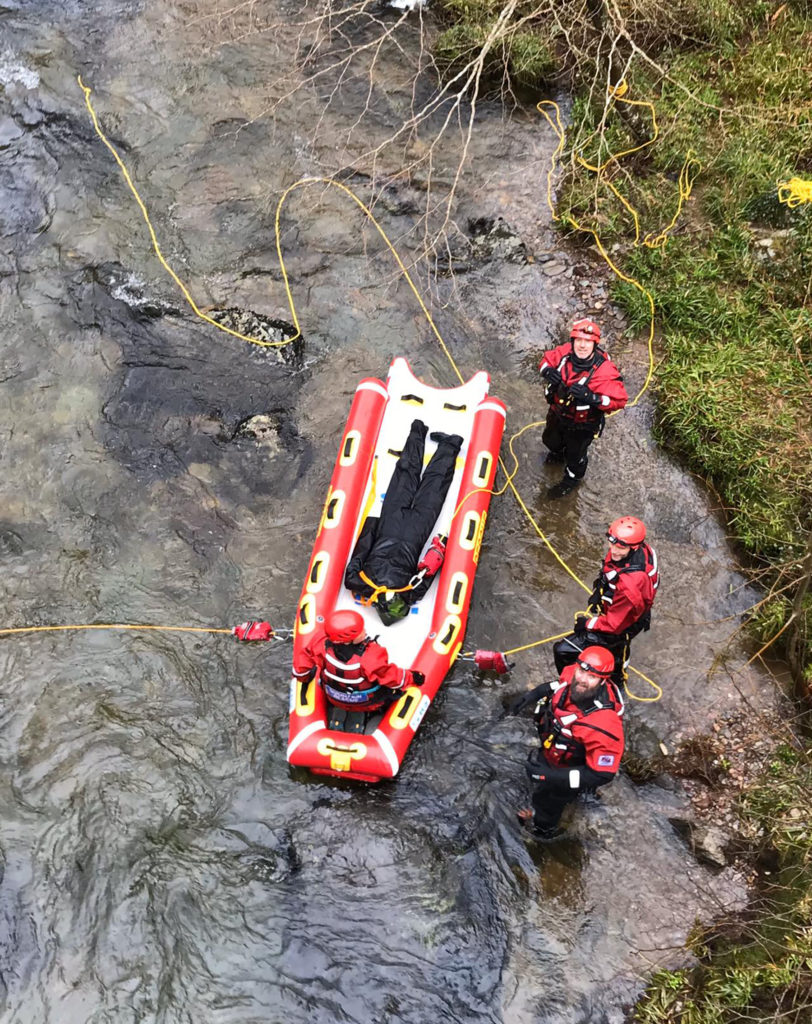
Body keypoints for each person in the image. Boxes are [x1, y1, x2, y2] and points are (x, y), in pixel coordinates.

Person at [345, 419, 463, 624]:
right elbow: (361, 550)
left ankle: (450, 445)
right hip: (390, 525)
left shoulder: (409, 593)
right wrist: (373, 523)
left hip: (416, 533)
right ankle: (418, 431)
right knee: (405, 476)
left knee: (434, 487)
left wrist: (442, 544)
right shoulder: (358, 582)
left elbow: (430, 567)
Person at [507, 646, 625, 839]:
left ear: (603, 681)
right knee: (537, 785)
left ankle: (542, 833)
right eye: (581, 671)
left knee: (549, 807)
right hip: (552, 751)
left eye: (592, 677)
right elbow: (558, 684)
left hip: (569, 770)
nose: (582, 679)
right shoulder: (573, 674)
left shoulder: (604, 725)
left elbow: (602, 774)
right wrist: (534, 694)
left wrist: (550, 776)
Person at [553, 516, 659, 687]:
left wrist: (587, 624)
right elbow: (613, 569)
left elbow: (614, 624)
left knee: (563, 651)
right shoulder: (642, 551)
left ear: (633, 547)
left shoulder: (630, 585)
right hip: (627, 612)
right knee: (618, 649)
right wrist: (599, 591)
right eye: (612, 544)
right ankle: (615, 672)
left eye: (620, 548)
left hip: (623, 623)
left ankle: (590, 685)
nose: (614, 551)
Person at [538, 318, 628, 498]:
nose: (582, 345)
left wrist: (591, 397)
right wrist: (547, 371)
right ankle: (557, 454)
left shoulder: (604, 371)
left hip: (582, 425)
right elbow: (546, 361)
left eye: (587, 341)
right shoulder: (564, 353)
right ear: (573, 342)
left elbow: (620, 400)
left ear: (594, 345)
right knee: (550, 440)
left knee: (576, 455)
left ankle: (571, 480)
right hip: (557, 413)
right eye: (578, 340)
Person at [292, 609, 424, 713]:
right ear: (347, 640)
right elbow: (392, 677)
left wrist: (304, 678)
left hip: (333, 698)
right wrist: (412, 677)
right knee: (391, 692)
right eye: (360, 632)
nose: (365, 632)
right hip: (368, 704)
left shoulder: (320, 642)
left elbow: (302, 665)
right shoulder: (371, 656)